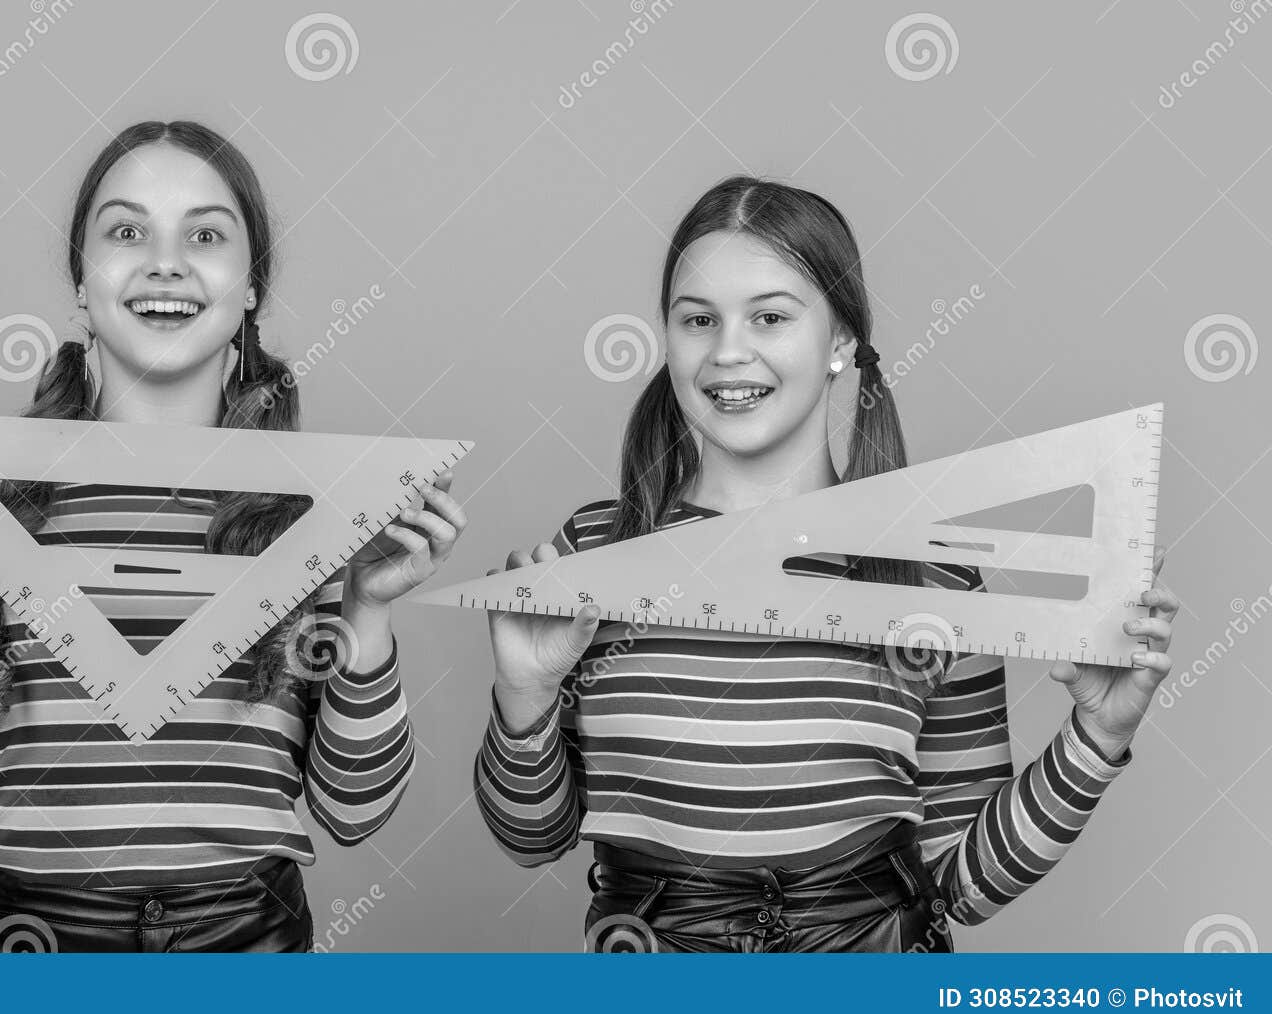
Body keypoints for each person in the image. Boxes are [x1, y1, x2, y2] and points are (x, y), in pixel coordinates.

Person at [474, 175, 1178, 953]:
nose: (727, 351)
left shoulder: (933, 574)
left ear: (840, 341)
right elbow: (531, 838)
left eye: (770, 316)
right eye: (698, 319)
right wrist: (524, 693)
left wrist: (1095, 736)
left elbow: (962, 884)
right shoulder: (595, 552)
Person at [0, 119, 466, 952]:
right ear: (80, 282)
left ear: (251, 286)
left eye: (205, 235)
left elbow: (356, 809)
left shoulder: (309, 516)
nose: (165, 262)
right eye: (127, 232)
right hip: (38, 937)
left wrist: (369, 608)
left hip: (249, 934)